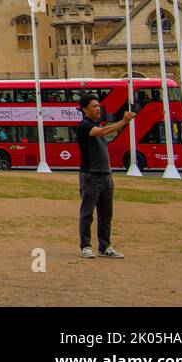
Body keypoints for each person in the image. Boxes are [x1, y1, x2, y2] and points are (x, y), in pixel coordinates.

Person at [77, 93, 135, 259]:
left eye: (98, 106)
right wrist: (123, 122)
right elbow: (102, 131)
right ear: (84, 109)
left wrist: (122, 123)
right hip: (90, 176)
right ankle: (86, 246)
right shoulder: (84, 126)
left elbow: (106, 130)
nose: (97, 109)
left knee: (106, 214)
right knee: (87, 213)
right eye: (94, 106)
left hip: (106, 176)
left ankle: (105, 247)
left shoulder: (99, 125)